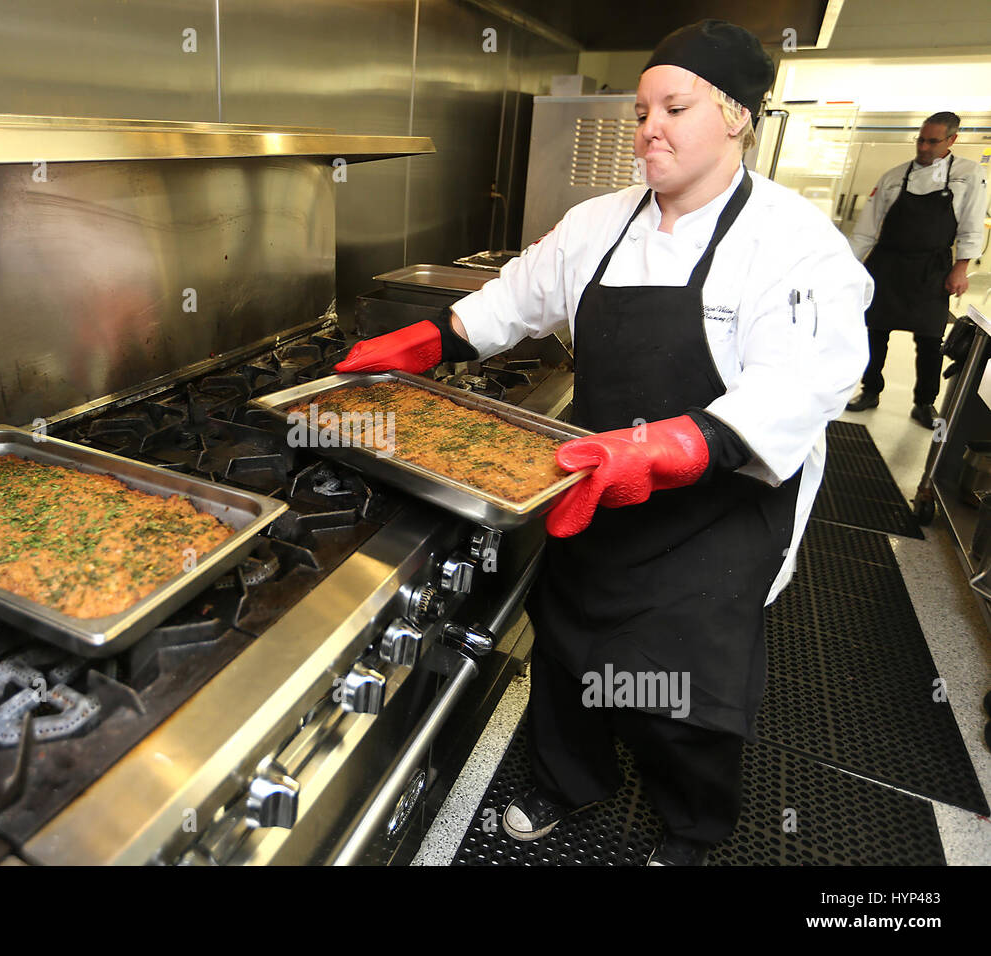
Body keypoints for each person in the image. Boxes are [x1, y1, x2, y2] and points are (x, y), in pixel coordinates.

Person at [335, 19, 872, 865]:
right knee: (572, 651)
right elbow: (511, 302)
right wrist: (428, 340)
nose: (648, 127)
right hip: (599, 488)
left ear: (736, 115)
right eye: (641, 109)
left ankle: (692, 825)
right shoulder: (600, 223)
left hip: (719, 514)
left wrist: (668, 450)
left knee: (676, 693)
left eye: (675, 106)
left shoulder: (795, 246)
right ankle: (568, 781)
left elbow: (801, 386)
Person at [845, 111, 989, 428]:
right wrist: (847, 267)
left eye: (932, 141)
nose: (923, 147)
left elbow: (971, 226)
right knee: (874, 333)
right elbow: (866, 230)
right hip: (887, 262)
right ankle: (870, 390)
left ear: (952, 139)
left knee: (929, 340)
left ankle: (924, 402)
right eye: (920, 140)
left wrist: (960, 268)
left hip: (933, 266)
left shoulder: (968, 174)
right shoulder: (895, 176)